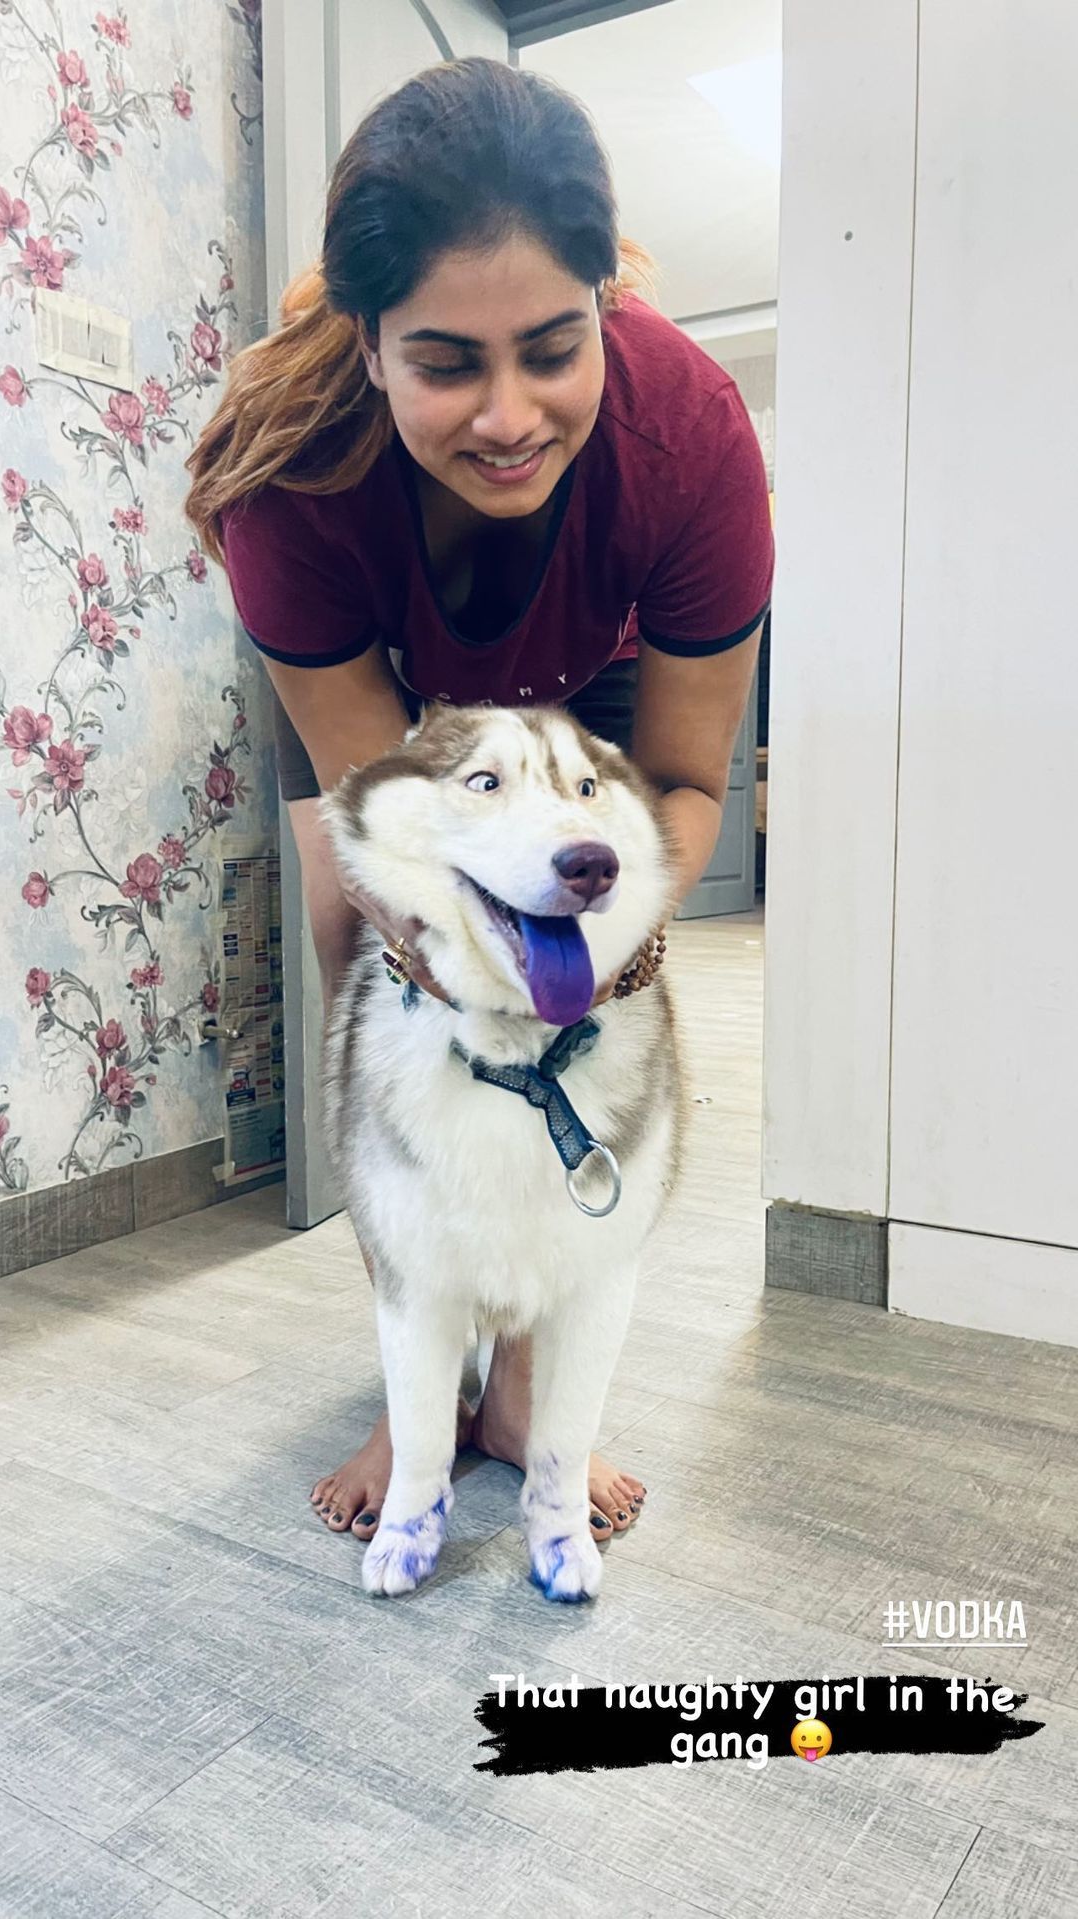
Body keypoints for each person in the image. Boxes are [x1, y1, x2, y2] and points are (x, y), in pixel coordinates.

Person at [185, 56, 773, 1547]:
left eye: (553, 351)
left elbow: (686, 780)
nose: (509, 416)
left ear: (604, 307)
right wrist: (444, 953)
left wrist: (605, 938)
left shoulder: (692, 441)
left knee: (595, 1001)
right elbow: (383, 822)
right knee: (366, 959)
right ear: (368, 343)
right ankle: (422, 1371)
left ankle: (522, 1390)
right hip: (395, 713)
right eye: (447, 364)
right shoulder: (287, 481)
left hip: (600, 705)